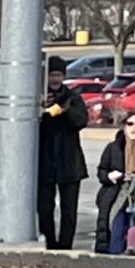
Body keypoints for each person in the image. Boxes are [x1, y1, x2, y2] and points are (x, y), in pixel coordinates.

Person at [35, 56, 88, 250]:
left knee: (69, 211)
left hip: (70, 163)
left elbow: (81, 121)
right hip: (45, 163)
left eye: (58, 75)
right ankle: (49, 245)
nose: (55, 79)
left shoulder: (73, 97)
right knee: (44, 209)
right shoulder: (39, 97)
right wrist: (45, 110)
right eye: (51, 75)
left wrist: (64, 110)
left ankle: (66, 247)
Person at [94, 111, 135, 253]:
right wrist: (111, 176)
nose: (134, 128)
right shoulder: (113, 147)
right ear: (124, 127)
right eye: (130, 124)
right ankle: (113, 261)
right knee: (116, 229)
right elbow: (101, 172)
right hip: (117, 193)